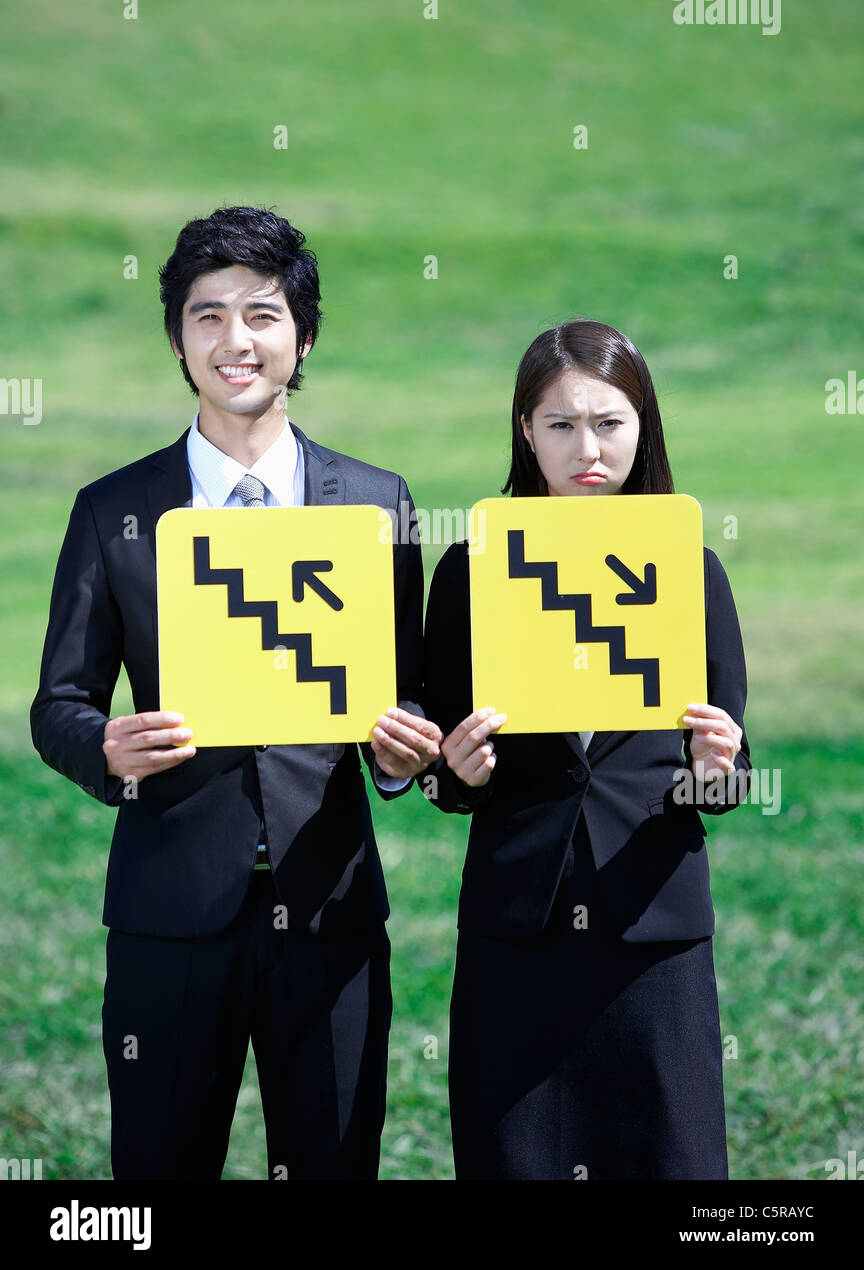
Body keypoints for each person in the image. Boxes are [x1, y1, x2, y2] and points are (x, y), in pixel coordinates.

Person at [30, 205, 441, 1180]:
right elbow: (59, 702)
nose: (234, 340)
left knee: (336, 1163)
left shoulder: (377, 503)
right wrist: (103, 748)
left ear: (303, 336)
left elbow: (413, 691)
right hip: (168, 910)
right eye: (206, 316)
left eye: (260, 314)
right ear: (177, 338)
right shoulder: (116, 509)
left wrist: (401, 747)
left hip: (331, 903)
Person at [422, 319, 751, 1181]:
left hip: (655, 927)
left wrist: (716, 773)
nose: (587, 449)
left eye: (610, 422)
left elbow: (728, 769)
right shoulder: (470, 572)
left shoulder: (692, 571)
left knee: (675, 1167)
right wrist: (453, 772)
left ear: (644, 428)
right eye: (560, 424)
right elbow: (446, 772)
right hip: (517, 926)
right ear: (525, 432)